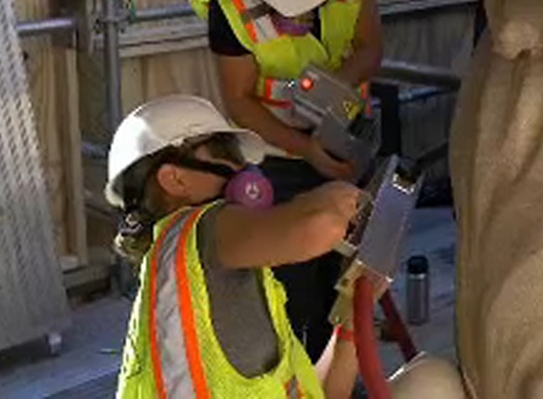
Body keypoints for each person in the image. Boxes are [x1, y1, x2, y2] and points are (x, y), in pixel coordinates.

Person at [189, 0, 385, 365]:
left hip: (348, 141)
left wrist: (332, 96)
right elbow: (239, 101)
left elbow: (371, 46)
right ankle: (300, 378)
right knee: (294, 288)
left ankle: (342, 373)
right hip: (279, 160)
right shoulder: (230, 6)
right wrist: (305, 147)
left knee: (352, 277)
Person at [105, 93, 364, 399]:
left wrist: (353, 313)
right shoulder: (199, 230)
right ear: (175, 179)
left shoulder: (203, 274)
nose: (241, 166)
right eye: (224, 151)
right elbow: (321, 226)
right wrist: (339, 197)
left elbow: (318, 393)